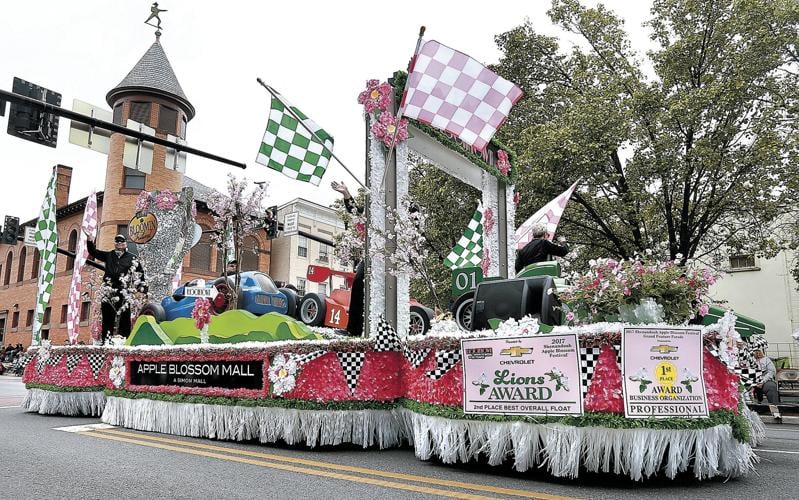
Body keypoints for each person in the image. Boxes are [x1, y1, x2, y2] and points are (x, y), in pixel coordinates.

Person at [87, 234, 145, 340]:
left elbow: (140, 272)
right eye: (117, 242)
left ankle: (125, 339)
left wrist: (141, 287)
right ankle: (106, 340)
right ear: (115, 244)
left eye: (121, 242)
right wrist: (90, 240)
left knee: (124, 316)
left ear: (125, 244)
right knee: (107, 316)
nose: (119, 244)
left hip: (123, 290)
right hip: (108, 289)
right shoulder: (109, 255)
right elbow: (93, 252)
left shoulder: (132, 257)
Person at [332, 181, 365, 336]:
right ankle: (354, 329)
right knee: (358, 282)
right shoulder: (366, 214)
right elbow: (355, 211)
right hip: (372, 255)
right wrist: (346, 193)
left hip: (388, 255)